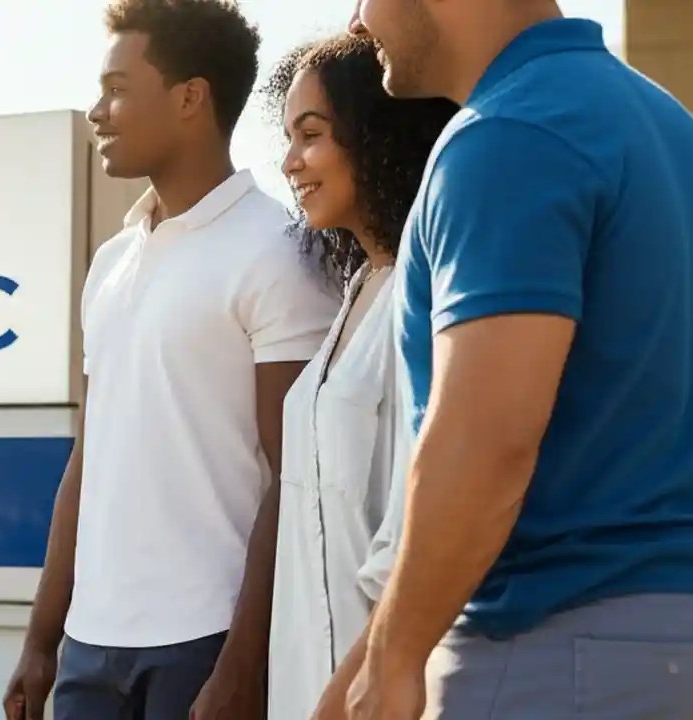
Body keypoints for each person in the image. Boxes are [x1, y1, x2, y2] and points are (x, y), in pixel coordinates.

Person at [341, 0, 693, 718]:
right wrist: (364, 666)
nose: (355, 20)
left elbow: (486, 441)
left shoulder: (508, 135)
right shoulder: (669, 127)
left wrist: (395, 665)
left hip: (553, 650)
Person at [0, 1, 340, 718]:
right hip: (91, 650)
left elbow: (296, 477)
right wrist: (41, 639)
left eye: (119, 88)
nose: (98, 110)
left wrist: (243, 666)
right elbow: (87, 460)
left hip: (206, 645)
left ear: (191, 98)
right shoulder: (112, 262)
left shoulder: (279, 253)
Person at [261, 34, 457, 720]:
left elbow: (421, 520)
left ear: (373, 135)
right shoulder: (358, 290)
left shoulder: (424, 296)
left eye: (310, 135)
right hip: (308, 683)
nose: (290, 162)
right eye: (287, 138)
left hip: (384, 685)